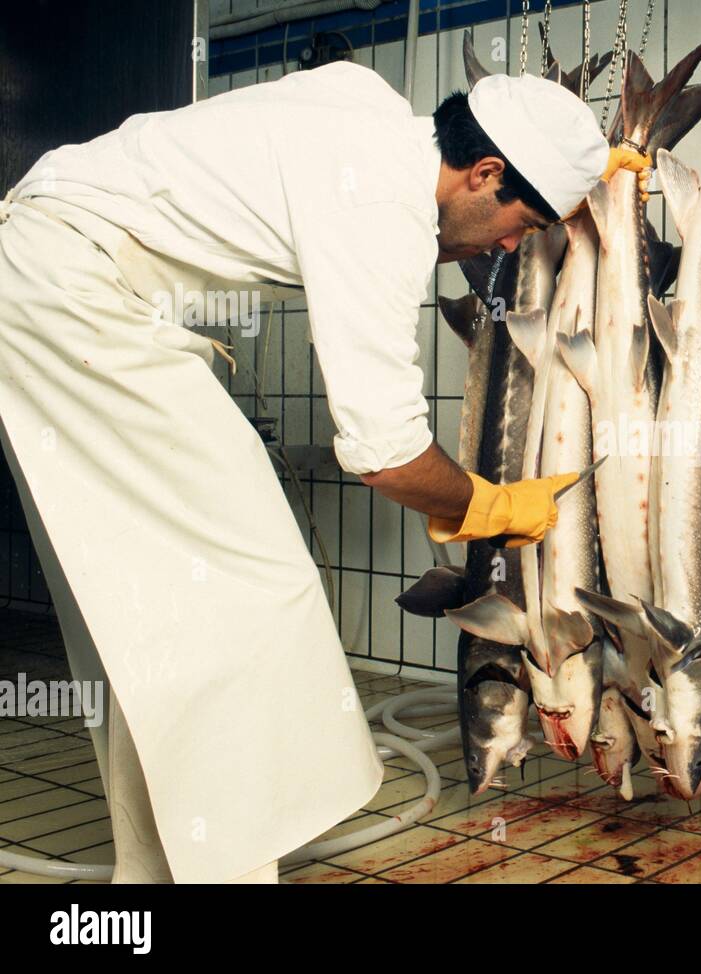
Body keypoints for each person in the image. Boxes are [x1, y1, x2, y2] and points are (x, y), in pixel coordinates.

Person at [0, 58, 649, 883]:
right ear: (484, 172)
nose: (516, 243)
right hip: (73, 290)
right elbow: (383, 451)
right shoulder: (381, 209)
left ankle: (162, 868)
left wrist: (581, 170)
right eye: (523, 219)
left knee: (154, 611)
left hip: (57, 273)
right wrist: (488, 506)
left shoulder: (372, 113)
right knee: (249, 591)